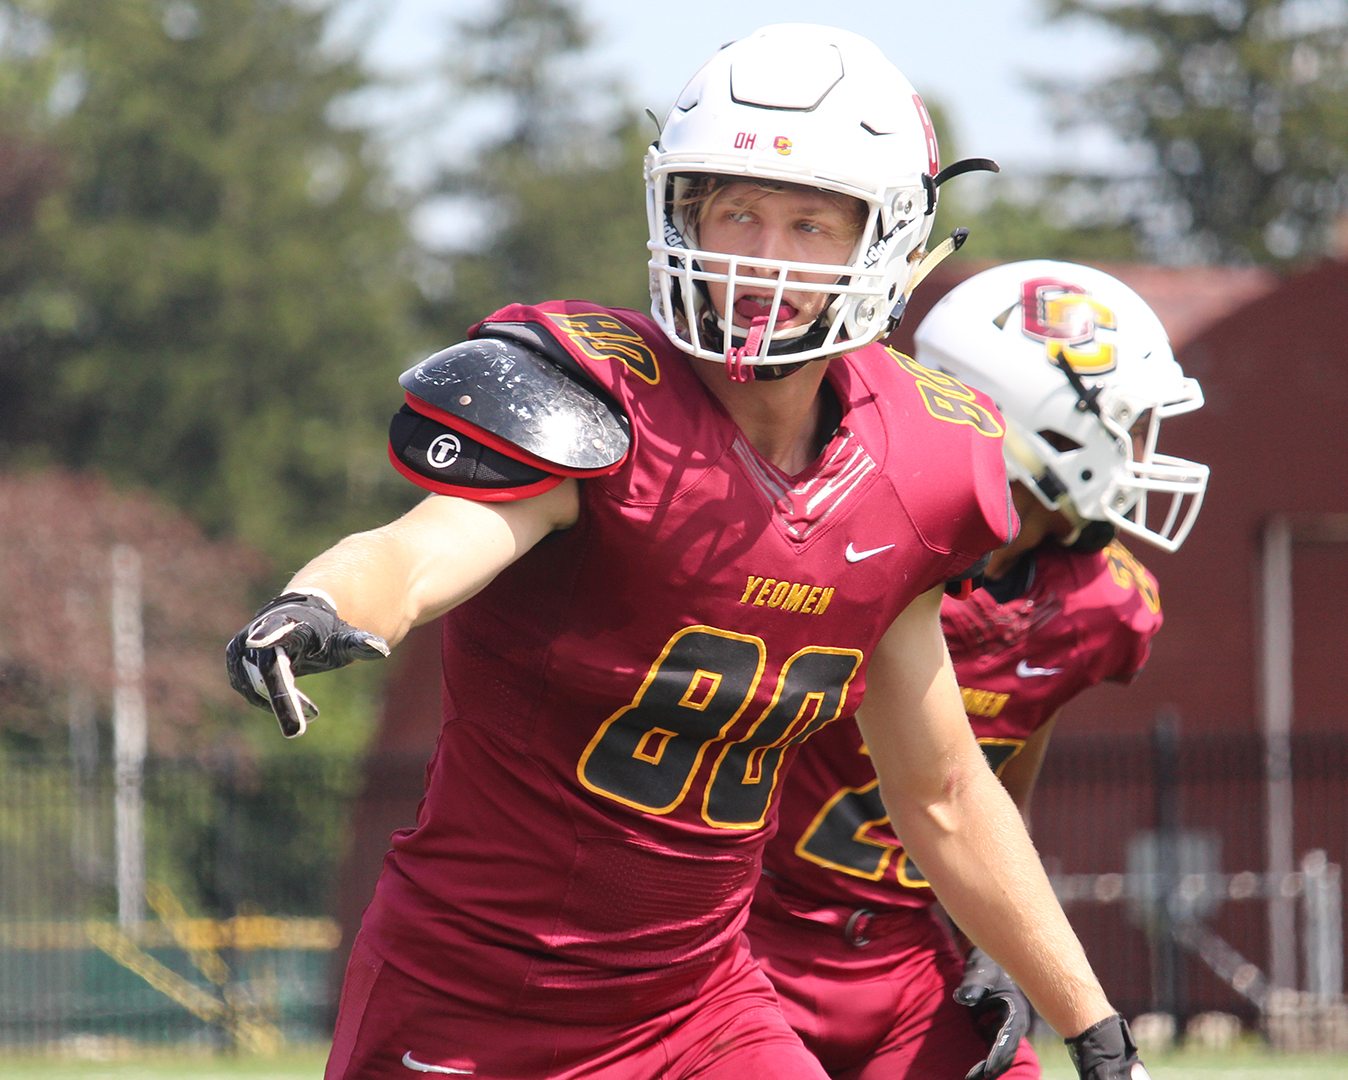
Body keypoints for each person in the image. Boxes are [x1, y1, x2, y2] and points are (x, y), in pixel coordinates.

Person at [225, 28, 1145, 1080]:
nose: (763, 251)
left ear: (885, 244)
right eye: (737, 210)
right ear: (680, 210)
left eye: (809, 222)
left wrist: (1096, 1027)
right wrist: (326, 600)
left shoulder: (915, 462)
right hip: (470, 997)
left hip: (697, 1008)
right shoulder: (597, 399)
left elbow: (942, 790)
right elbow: (426, 546)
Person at [747, 260, 1209, 1080]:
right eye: (1128, 424)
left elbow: (994, 788)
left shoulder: (1096, 606)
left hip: (906, 967)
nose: (1143, 454)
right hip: (742, 950)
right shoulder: (839, 544)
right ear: (1047, 429)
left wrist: (993, 942)